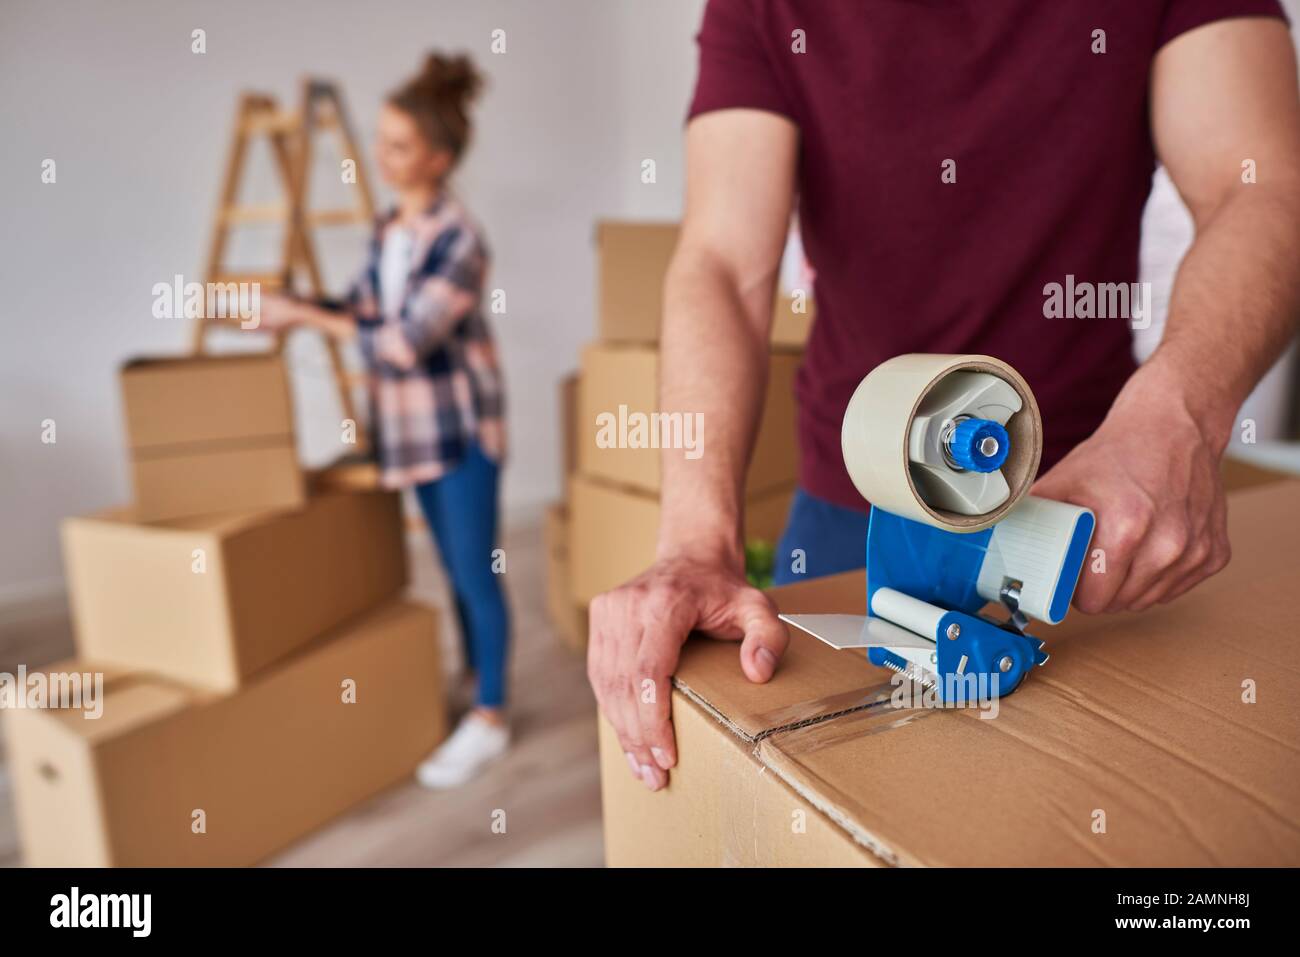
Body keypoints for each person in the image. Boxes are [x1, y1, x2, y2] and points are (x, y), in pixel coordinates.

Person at [588, 1, 1300, 792]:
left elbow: (1262, 184)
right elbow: (722, 261)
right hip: (852, 504)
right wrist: (694, 537)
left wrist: (1179, 416)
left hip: (1098, 511)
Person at [257, 53, 511, 789]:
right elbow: (367, 311)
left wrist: (305, 315)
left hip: (460, 435)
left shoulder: (461, 239)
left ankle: (491, 715)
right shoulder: (389, 227)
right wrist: (296, 306)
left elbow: (403, 342)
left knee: (476, 572)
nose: (382, 155)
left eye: (399, 145)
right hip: (409, 433)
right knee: (457, 573)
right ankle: (477, 684)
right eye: (382, 139)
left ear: (439, 157)